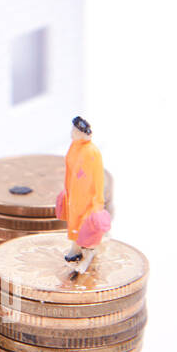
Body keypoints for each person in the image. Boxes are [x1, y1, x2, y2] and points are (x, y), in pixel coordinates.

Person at [57, 115, 111, 277]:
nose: (72, 133)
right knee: (74, 221)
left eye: (75, 131)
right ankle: (75, 247)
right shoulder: (74, 147)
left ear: (83, 133)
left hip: (88, 197)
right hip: (74, 193)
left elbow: (97, 178)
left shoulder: (91, 152)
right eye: (72, 130)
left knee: (86, 224)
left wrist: (97, 201)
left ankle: (89, 250)